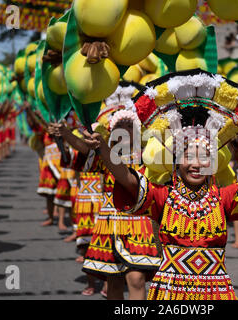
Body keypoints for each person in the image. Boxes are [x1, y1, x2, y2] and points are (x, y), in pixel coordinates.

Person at [78, 70, 238, 300]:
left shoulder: (223, 198)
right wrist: (102, 146)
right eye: (189, 156)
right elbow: (126, 178)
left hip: (215, 292)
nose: (196, 164)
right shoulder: (163, 197)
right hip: (170, 294)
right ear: (175, 161)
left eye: (204, 157)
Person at [53, 83, 161, 300]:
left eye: (129, 125)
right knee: (113, 282)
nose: (125, 129)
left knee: (136, 279)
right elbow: (82, 151)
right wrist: (65, 133)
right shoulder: (106, 156)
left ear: (137, 129)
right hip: (109, 224)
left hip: (140, 224)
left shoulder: (149, 155)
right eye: (119, 126)